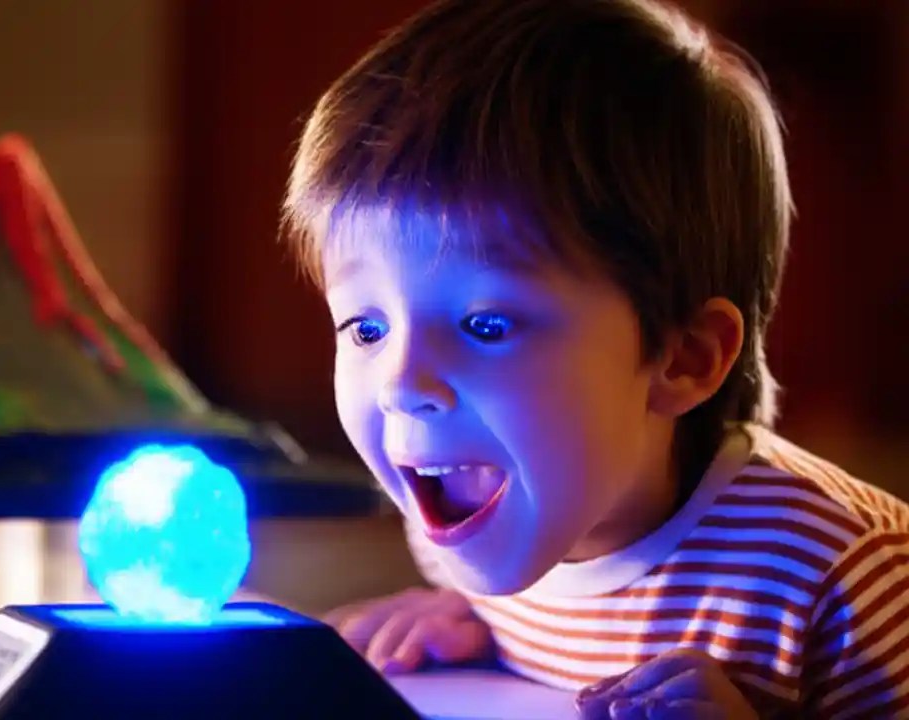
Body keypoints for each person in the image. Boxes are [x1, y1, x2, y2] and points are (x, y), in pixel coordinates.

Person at [278, 1, 909, 717]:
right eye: (365, 329)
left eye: (486, 325)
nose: (400, 384)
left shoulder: (842, 574)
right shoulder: (465, 513)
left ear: (683, 358)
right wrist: (467, 626)